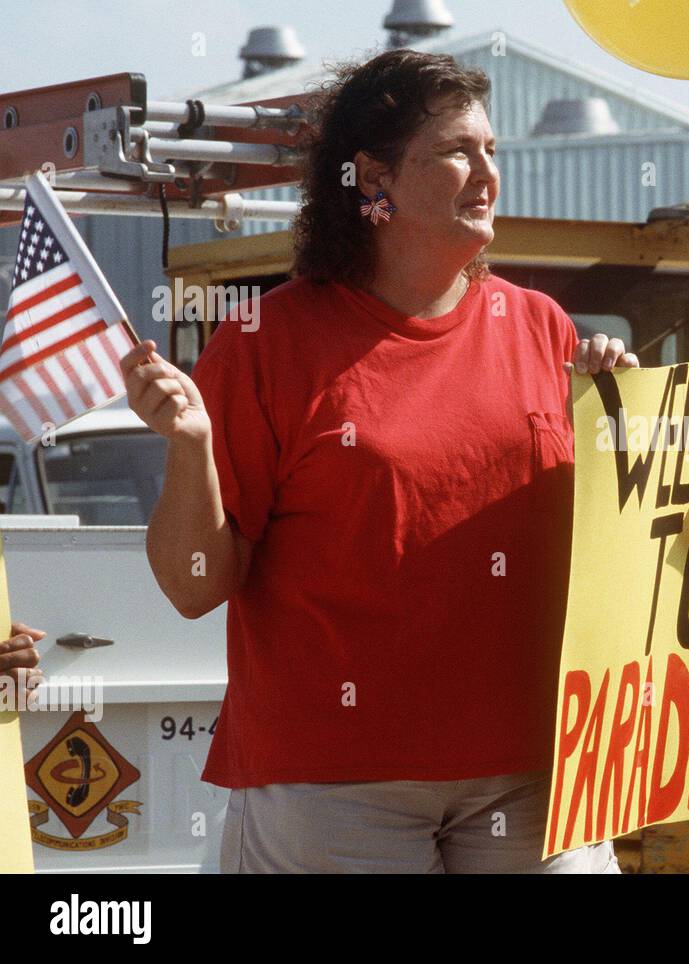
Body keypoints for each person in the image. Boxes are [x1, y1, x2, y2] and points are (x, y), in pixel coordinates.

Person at [119, 50, 635, 873]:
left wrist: (624, 419)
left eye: (493, 151)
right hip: (333, 785)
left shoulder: (545, 329)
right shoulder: (263, 344)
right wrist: (190, 450)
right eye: (456, 152)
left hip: (539, 767)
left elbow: (618, 544)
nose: (487, 174)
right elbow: (192, 585)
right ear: (372, 180)